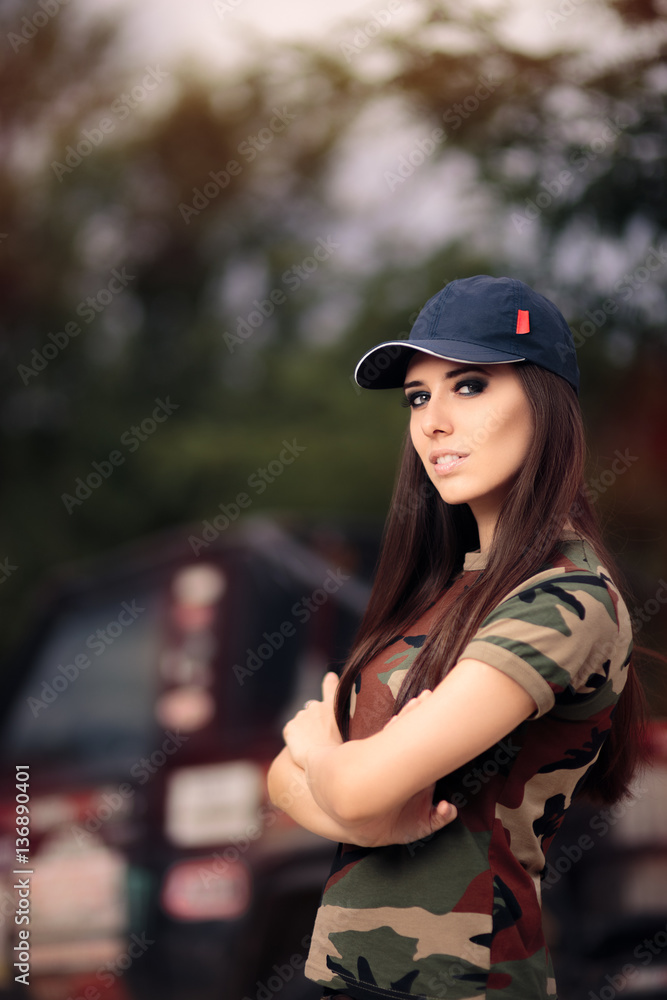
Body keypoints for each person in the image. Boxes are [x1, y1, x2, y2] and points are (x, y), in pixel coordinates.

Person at [267, 275, 646, 1000]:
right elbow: (282, 782)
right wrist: (366, 814)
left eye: (467, 385)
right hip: (350, 979)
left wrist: (326, 756)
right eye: (417, 396)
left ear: (543, 403)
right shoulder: (437, 591)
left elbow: (336, 777)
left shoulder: (564, 600)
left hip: (463, 982)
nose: (432, 421)